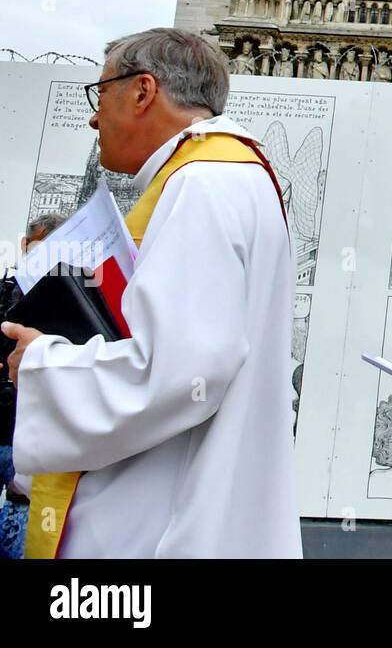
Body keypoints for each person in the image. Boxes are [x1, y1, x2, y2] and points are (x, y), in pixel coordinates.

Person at [3, 28, 301, 558]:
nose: (95, 117)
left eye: (101, 94)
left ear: (143, 92)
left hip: (159, 523)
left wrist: (42, 363)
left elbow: (181, 371)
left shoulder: (202, 183)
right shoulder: (227, 174)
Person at [0, 215, 63, 559]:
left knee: (22, 520)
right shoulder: (3, 290)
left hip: (29, 437)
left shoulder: (68, 300)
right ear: (24, 246)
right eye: (38, 250)